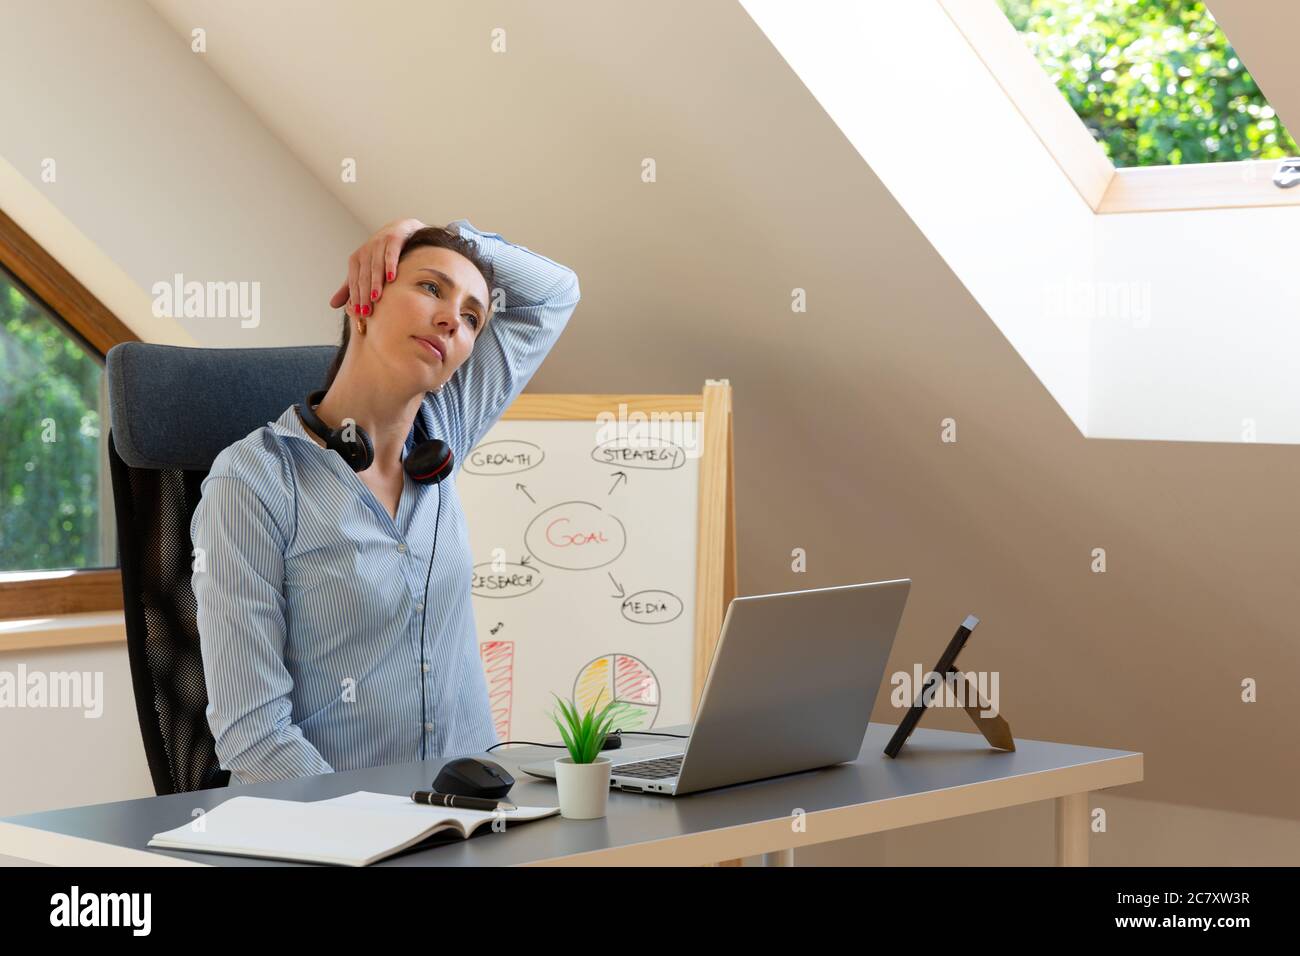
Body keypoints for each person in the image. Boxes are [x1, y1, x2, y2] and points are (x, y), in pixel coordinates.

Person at [190, 217, 580, 784]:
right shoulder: (254, 480)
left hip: (470, 818)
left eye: (473, 317)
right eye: (430, 288)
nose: (452, 318)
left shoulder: (444, 428)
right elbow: (253, 735)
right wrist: (376, 829)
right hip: (335, 835)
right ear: (363, 303)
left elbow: (555, 294)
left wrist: (434, 229)